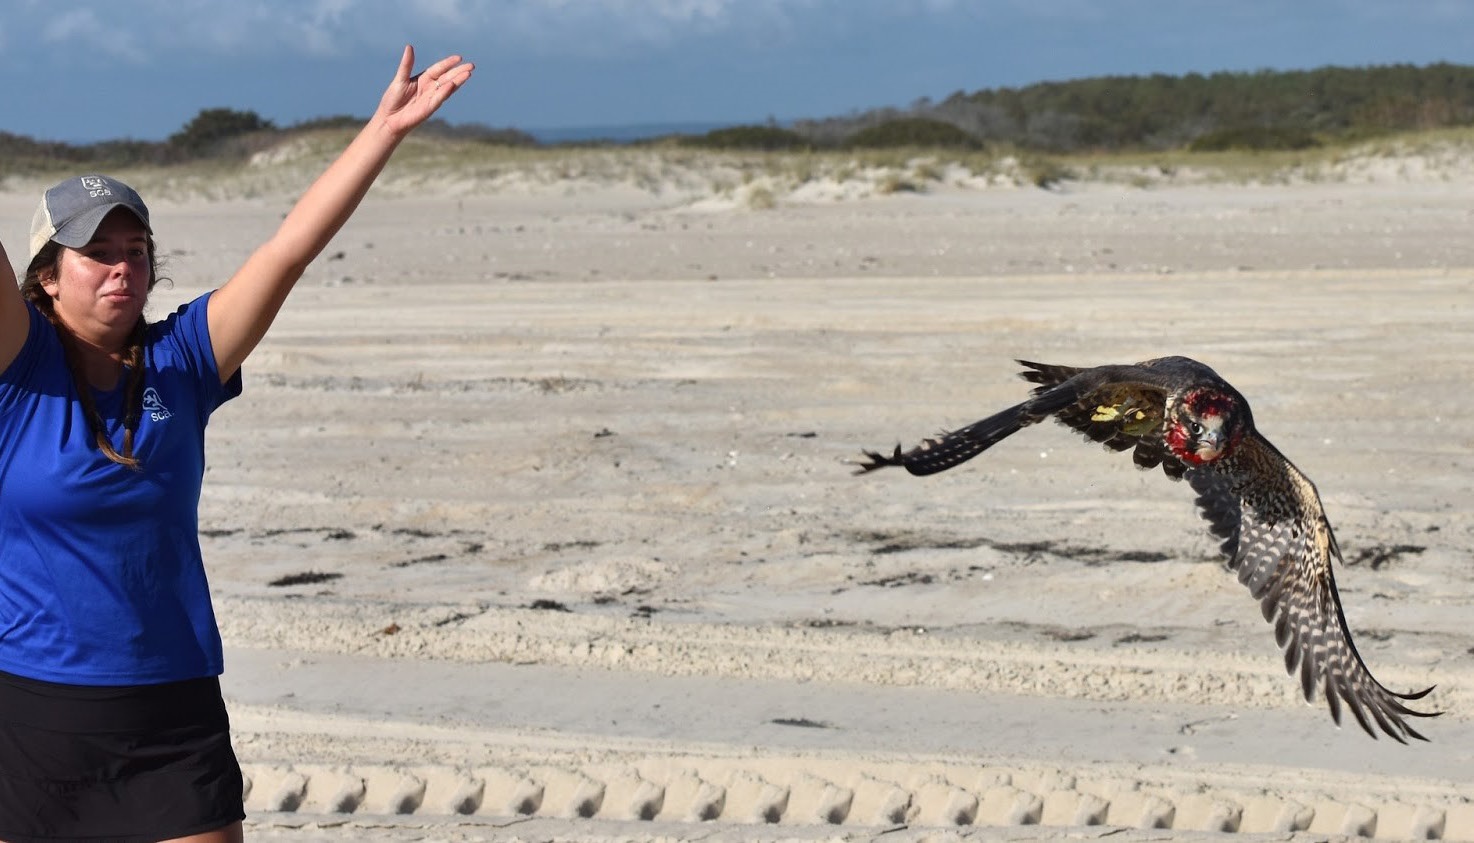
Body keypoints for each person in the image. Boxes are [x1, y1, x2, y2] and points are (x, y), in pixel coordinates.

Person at [0, 46, 473, 842]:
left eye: (135, 251)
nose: (121, 269)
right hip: (34, 712)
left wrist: (383, 132)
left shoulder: (184, 358)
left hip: (173, 707)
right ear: (47, 276)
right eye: (97, 254)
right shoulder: (19, 368)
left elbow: (287, 250)